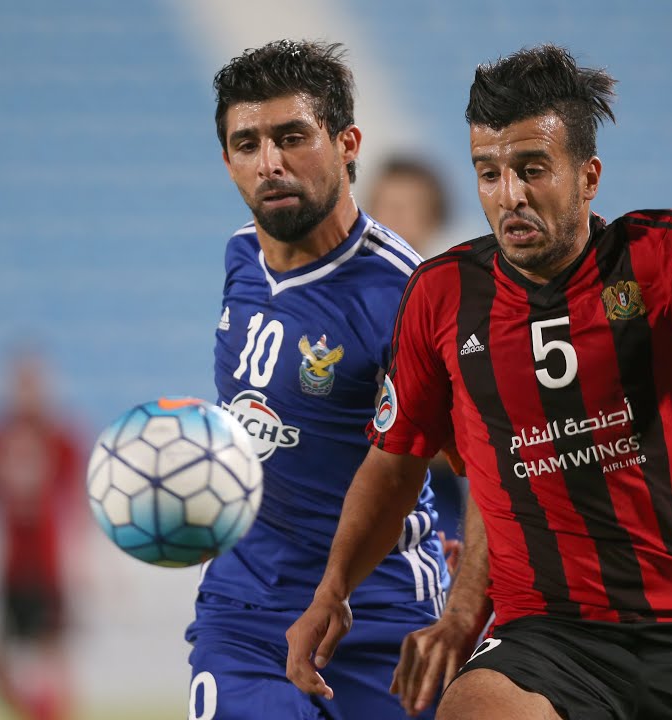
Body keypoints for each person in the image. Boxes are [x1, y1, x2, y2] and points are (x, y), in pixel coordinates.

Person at [284, 43, 672, 720]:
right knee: (473, 709)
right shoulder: (441, 297)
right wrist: (333, 590)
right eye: (489, 173)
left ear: (588, 174)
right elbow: (398, 467)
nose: (509, 195)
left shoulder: (662, 253)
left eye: (532, 169)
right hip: (548, 637)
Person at [183, 39, 486, 720]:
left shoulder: (408, 296)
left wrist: (468, 590)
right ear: (226, 158)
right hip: (245, 610)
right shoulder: (240, 257)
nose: (271, 162)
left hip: (381, 616)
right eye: (247, 143)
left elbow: (491, 469)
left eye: (293, 137)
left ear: (347, 142)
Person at [365, 154, 470, 551]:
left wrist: (397, 428)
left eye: (404, 210)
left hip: (431, 525)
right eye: (381, 208)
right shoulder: (347, 309)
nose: (390, 221)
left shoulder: (454, 313)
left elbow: (473, 437)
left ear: (434, 221)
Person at [0, 348, 88, 720]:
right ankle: (34, 713)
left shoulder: (60, 436)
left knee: (54, 659)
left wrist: (85, 562)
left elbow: (77, 501)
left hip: (48, 565)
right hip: (12, 566)